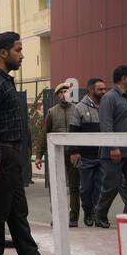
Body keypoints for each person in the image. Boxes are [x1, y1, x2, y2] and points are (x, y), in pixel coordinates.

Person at [0, 31, 54, 255]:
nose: (22, 55)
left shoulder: (4, 80)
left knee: (17, 210)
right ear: (3, 52)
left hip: (10, 155)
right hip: (0, 155)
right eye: (18, 50)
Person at [94, 65, 127, 227]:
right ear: (124, 79)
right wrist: (113, 147)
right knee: (112, 186)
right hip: (115, 152)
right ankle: (100, 213)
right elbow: (106, 124)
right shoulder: (109, 98)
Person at [41, 81, 80, 227]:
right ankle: (57, 215)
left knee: (75, 186)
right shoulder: (52, 112)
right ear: (58, 95)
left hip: (73, 153)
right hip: (57, 154)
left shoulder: (76, 110)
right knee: (56, 186)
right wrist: (39, 156)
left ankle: (73, 217)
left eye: (67, 91)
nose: (65, 94)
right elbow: (45, 134)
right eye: (62, 92)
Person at [68, 77, 106, 225]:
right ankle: (88, 211)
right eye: (100, 89)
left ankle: (98, 214)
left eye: (104, 89)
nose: (104, 92)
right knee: (86, 188)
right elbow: (73, 131)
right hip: (85, 157)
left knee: (100, 187)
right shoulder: (79, 108)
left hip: (102, 155)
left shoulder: (106, 105)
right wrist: (74, 152)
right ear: (91, 90)